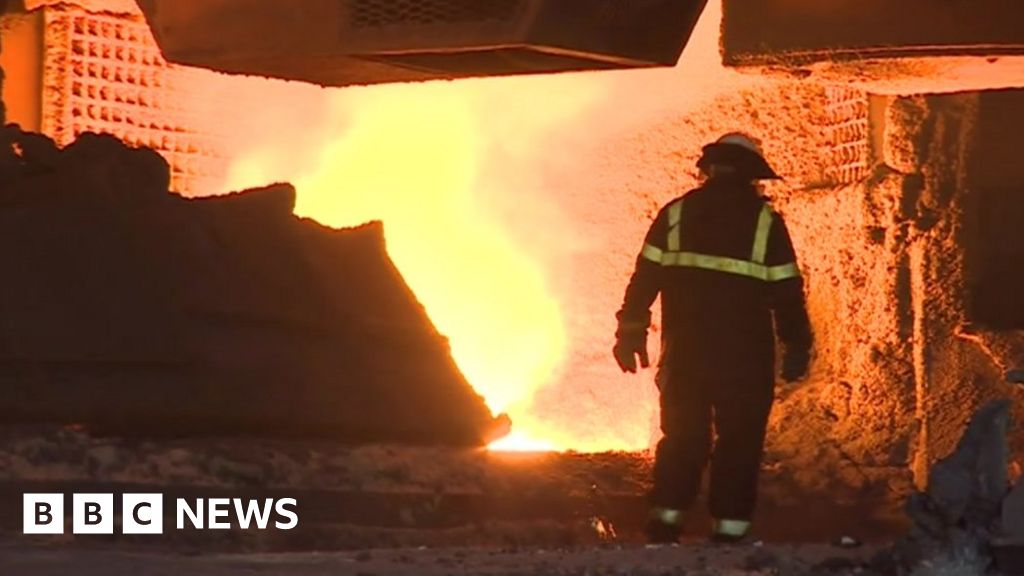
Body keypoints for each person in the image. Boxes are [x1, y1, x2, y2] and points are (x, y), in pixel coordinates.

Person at [614, 132, 813, 544]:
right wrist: (796, 345)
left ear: (707, 170)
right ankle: (729, 534)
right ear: (752, 175)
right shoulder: (765, 223)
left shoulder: (676, 214)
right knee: (739, 442)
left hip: (686, 354)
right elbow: (787, 293)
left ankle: (665, 524)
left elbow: (644, 279)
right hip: (745, 359)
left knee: (684, 437)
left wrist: (630, 332)